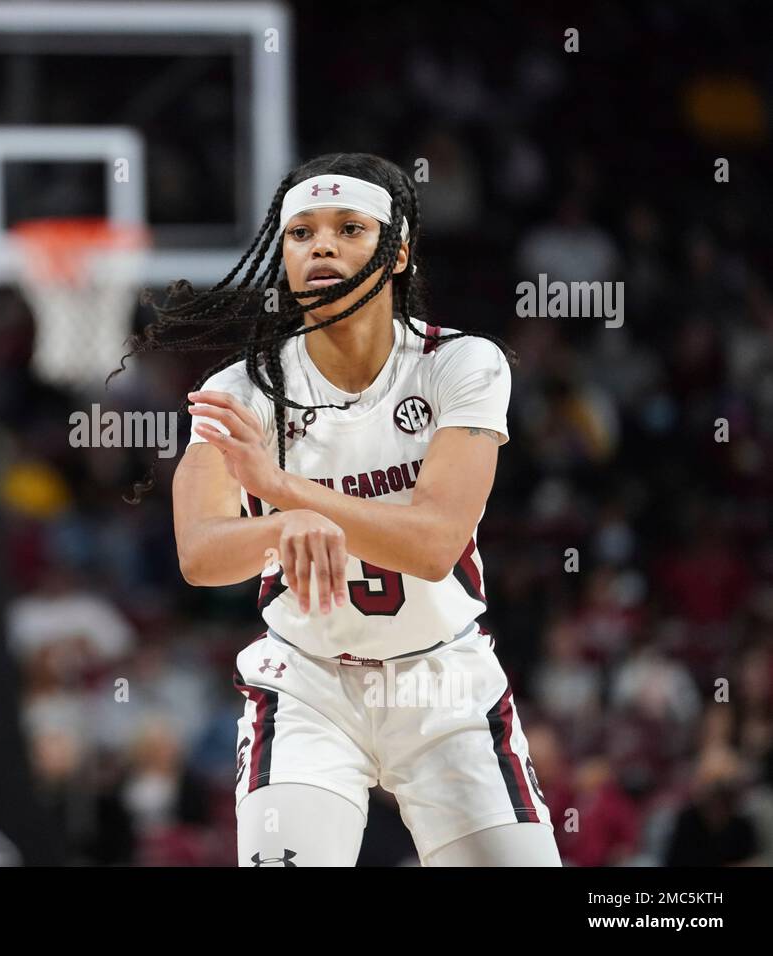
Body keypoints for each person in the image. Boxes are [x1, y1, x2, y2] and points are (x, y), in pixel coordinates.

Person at [122, 152, 559, 866]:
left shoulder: (463, 364)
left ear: (397, 253)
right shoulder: (240, 389)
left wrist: (287, 490)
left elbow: (433, 543)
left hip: (444, 683)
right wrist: (280, 523)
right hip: (309, 687)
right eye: (301, 233)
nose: (320, 245)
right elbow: (200, 555)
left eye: (349, 228)